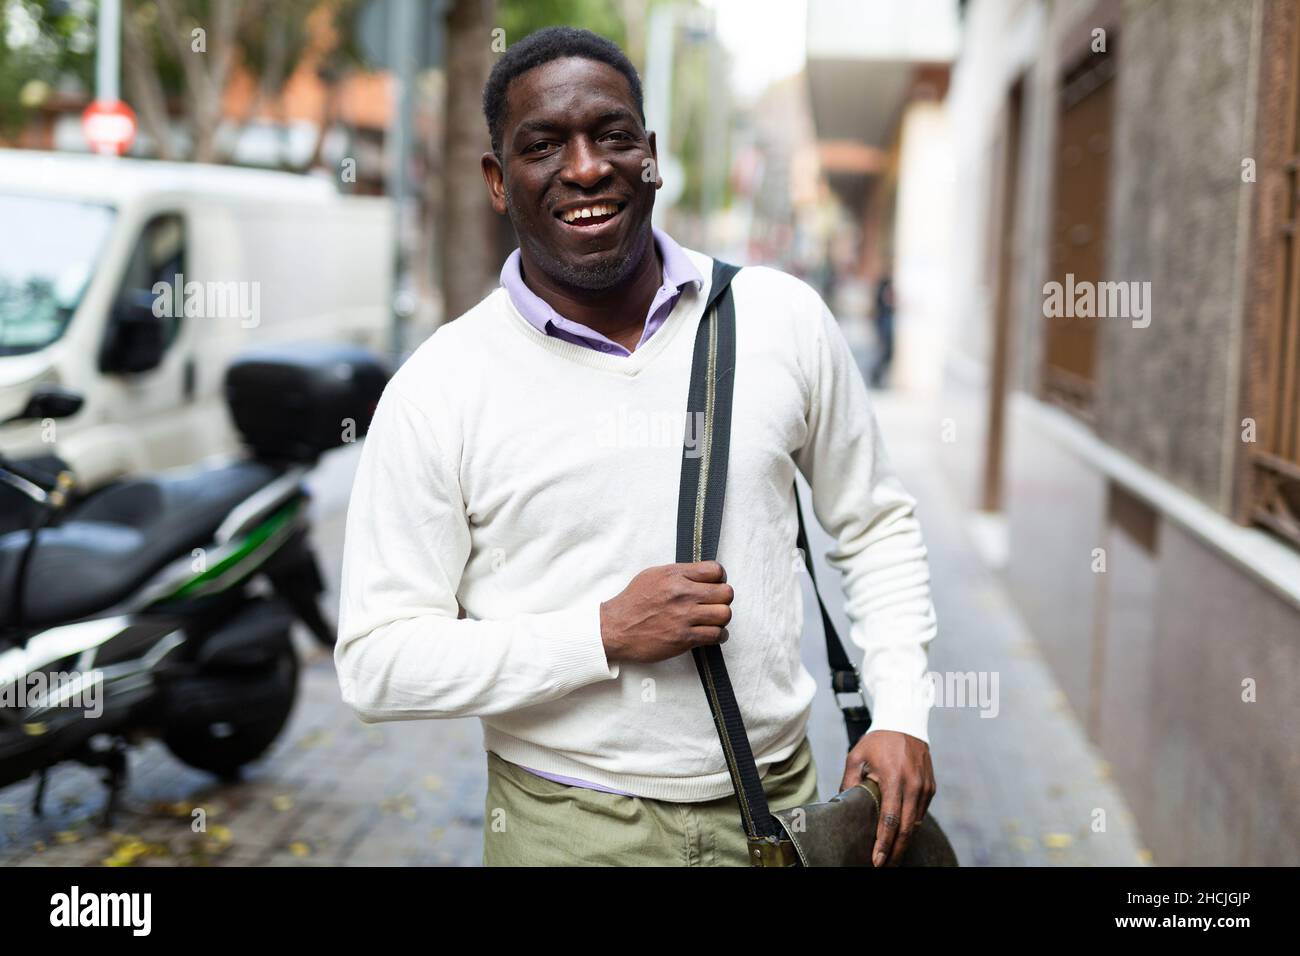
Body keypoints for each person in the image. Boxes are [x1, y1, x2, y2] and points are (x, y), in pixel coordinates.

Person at [335, 26, 939, 867]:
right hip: (565, 827)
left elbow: (872, 523)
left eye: (612, 135)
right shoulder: (442, 386)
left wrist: (901, 708)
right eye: (543, 146)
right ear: (497, 181)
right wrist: (604, 632)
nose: (585, 168)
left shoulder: (780, 319)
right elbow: (378, 663)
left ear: (650, 156)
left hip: (782, 810)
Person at [871, 272, 896, 388]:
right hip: (884, 322)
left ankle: (877, 376)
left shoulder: (882, 288)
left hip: (884, 321)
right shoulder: (884, 287)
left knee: (887, 353)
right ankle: (875, 375)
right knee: (886, 351)